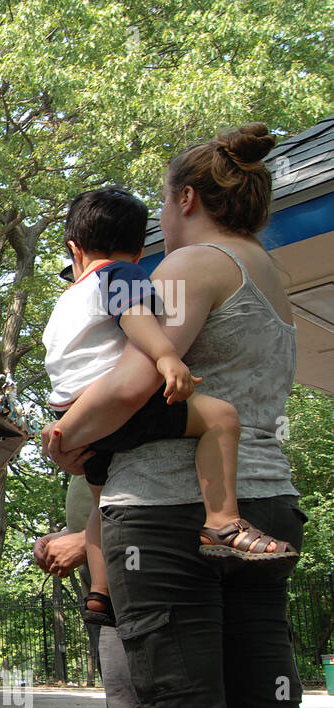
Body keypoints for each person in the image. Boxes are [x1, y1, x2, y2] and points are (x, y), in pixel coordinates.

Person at [46, 124, 334, 708]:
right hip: (263, 504)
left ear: (187, 198)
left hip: (168, 515)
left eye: (164, 209)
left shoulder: (189, 265)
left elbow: (134, 383)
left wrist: (64, 435)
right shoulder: (271, 277)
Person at [43, 187, 296, 626]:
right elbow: (133, 315)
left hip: (73, 408)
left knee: (102, 503)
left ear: (73, 249)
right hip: (116, 403)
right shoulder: (122, 273)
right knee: (219, 417)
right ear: (141, 249)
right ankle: (223, 521)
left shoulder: (66, 299)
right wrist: (164, 355)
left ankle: (100, 593)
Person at [34, 477, 171, 708]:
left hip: (151, 589)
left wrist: (86, 540)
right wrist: (63, 539)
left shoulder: (113, 420)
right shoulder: (86, 436)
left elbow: (152, 483)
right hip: (113, 604)